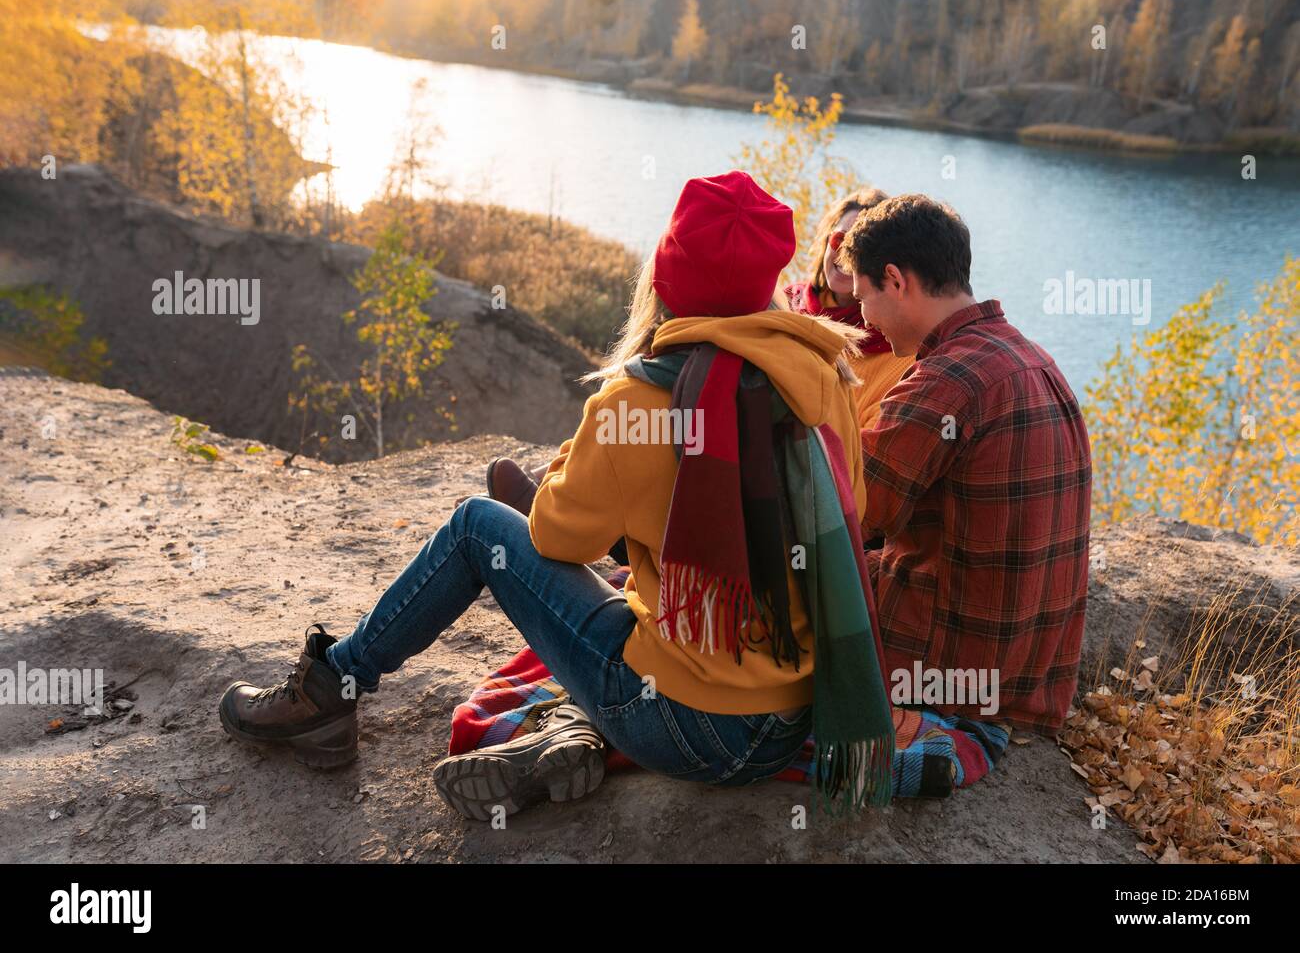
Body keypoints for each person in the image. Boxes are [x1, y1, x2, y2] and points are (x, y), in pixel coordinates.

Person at [219, 171, 895, 819]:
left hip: (689, 731)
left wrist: (581, 454)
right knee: (633, 573)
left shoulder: (636, 399)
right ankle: (551, 733)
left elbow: (553, 539)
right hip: (796, 718)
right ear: (768, 284)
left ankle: (327, 692)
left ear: (667, 276)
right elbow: (849, 513)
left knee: (477, 528)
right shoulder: (824, 374)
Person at [837, 193, 1092, 733]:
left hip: (947, 676)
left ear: (895, 279)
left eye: (863, 298)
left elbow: (850, 512)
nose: (865, 321)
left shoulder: (946, 378)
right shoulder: (1033, 358)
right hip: (1032, 678)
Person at [784, 187, 914, 432]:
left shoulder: (899, 354)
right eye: (839, 239)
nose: (846, 254)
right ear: (825, 242)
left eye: (860, 249)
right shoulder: (785, 305)